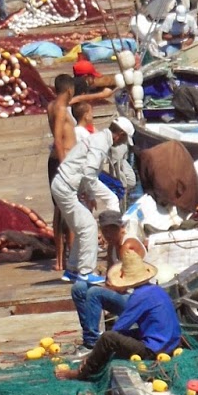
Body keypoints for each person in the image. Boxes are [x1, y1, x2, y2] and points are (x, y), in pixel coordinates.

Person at [60, 247, 182, 377]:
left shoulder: (139, 296)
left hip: (154, 350)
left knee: (108, 338)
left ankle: (83, 372)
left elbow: (119, 328)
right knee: (124, 335)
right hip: (171, 344)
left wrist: (95, 352)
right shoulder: (157, 290)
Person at [51, 117, 130, 281]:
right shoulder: (101, 144)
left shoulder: (100, 139)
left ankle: (72, 269)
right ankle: (86, 272)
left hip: (66, 185)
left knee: (84, 224)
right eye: (124, 140)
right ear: (119, 134)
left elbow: (88, 174)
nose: (122, 144)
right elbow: (89, 173)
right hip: (66, 187)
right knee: (89, 227)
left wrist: (89, 193)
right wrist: (91, 194)